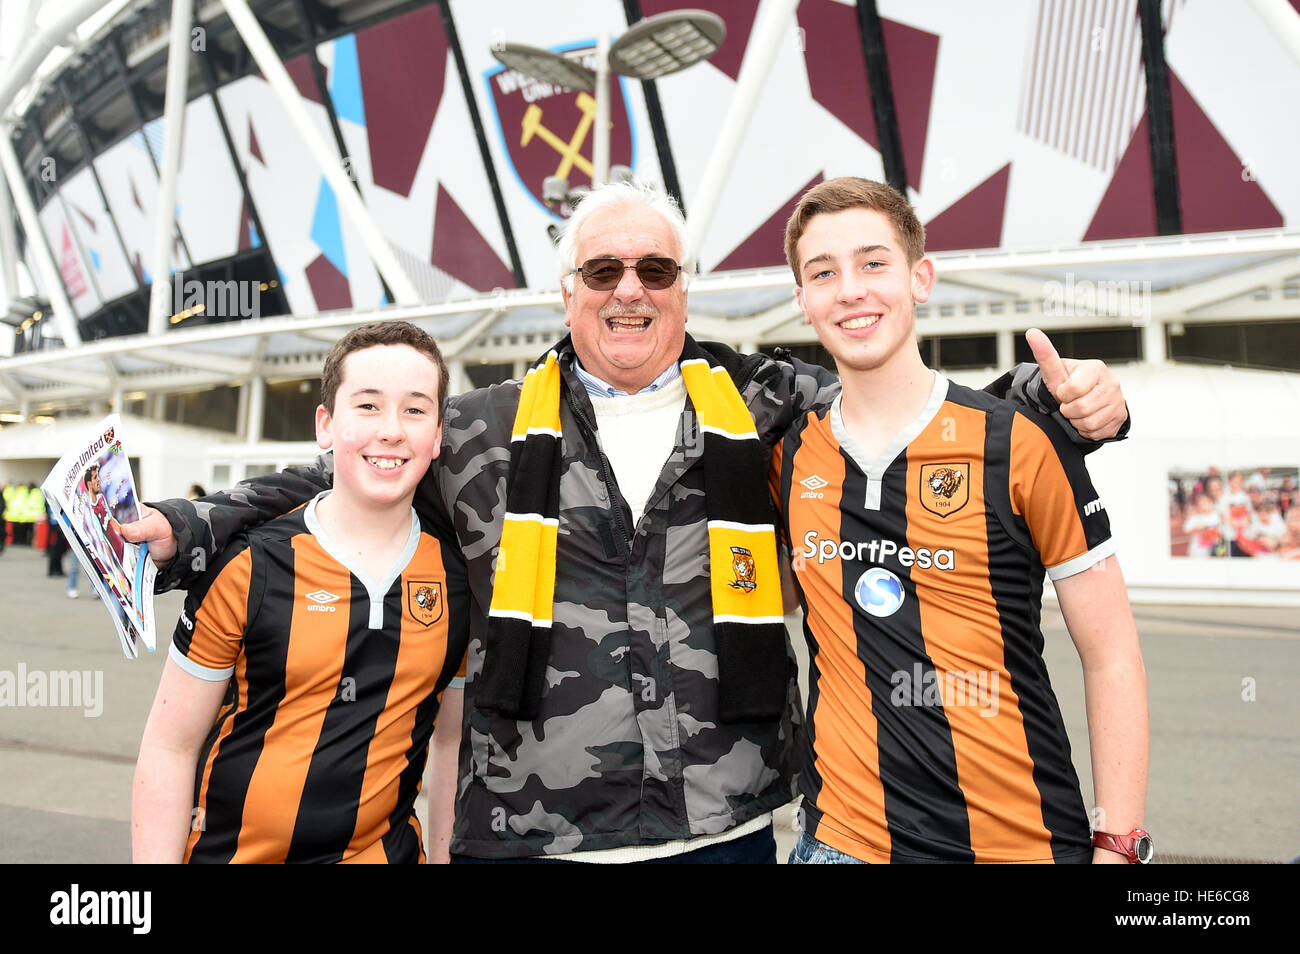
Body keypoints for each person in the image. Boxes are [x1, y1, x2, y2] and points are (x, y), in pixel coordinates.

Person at [123, 179, 1130, 863]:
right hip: (531, 839)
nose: (630, 292)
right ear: (566, 294)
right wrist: (192, 524)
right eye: (603, 273)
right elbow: (350, 465)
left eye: (655, 271)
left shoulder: (766, 408)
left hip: (725, 832)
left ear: (686, 290)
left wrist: (1057, 402)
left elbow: (899, 408)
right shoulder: (476, 433)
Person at [776, 177, 1148, 864]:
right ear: (802, 300)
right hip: (841, 846)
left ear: (920, 278)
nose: (850, 290)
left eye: (873, 263)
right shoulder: (790, 451)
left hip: (1021, 846)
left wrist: (1120, 845)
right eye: (823, 273)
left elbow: (1113, 655)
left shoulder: (1020, 442)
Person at [131, 321, 468, 863]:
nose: (391, 430)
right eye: (368, 406)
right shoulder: (249, 567)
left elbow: (451, 745)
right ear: (326, 426)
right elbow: (169, 748)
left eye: (414, 409)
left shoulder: (458, 579)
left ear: (436, 435)